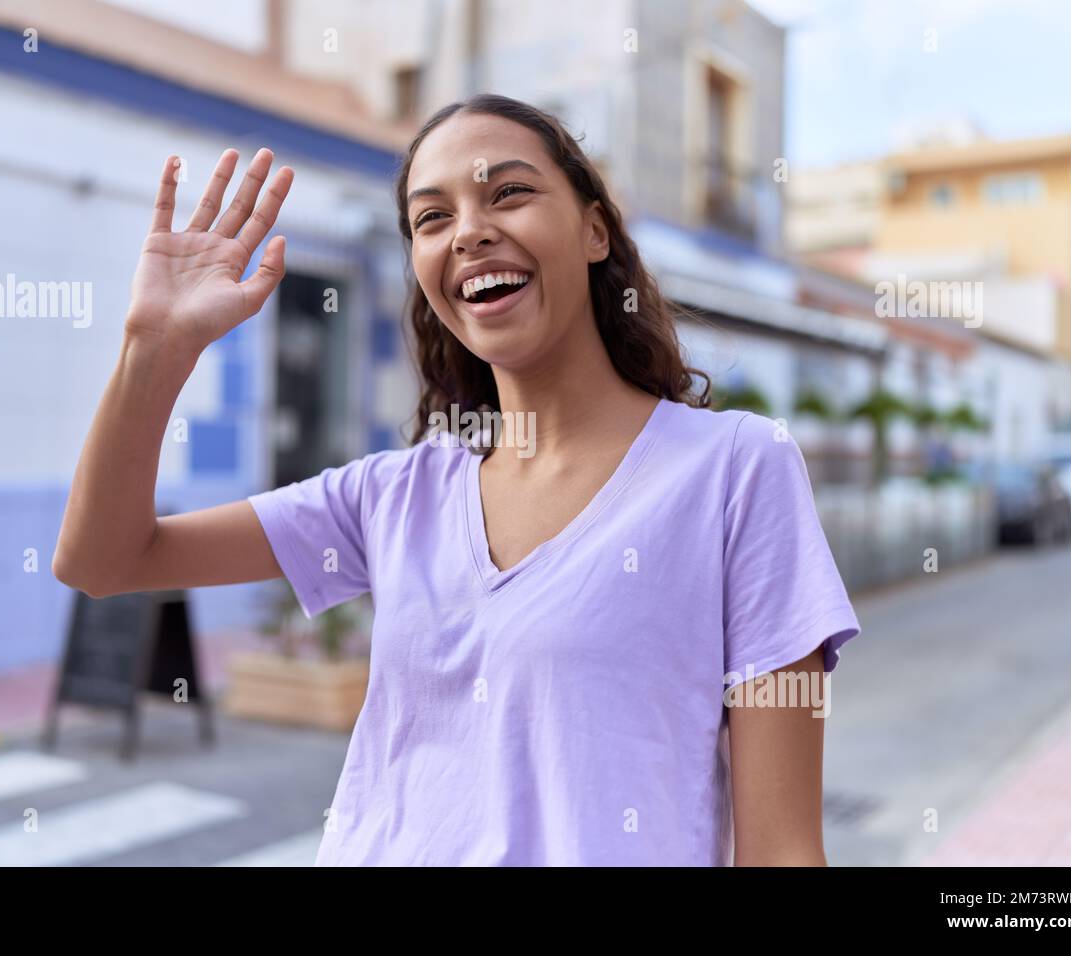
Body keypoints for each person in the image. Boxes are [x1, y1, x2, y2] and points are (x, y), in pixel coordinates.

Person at [54, 93, 862, 866]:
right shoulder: (393, 496)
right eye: (432, 218)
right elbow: (106, 561)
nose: (469, 233)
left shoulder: (735, 471)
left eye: (508, 193)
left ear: (593, 231)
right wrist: (154, 354)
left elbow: (784, 849)